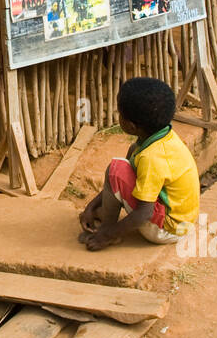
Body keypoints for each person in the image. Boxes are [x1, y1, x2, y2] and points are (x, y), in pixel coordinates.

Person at [78, 77, 200, 251]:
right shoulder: (162, 138)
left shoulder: (152, 158)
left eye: (120, 114)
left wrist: (107, 235)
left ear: (130, 126)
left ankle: (106, 229)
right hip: (183, 221)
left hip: (167, 230)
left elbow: (144, 213)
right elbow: (116, 184)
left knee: (115, 169)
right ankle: (104, 213)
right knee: (124, 163)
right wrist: (91, 206)